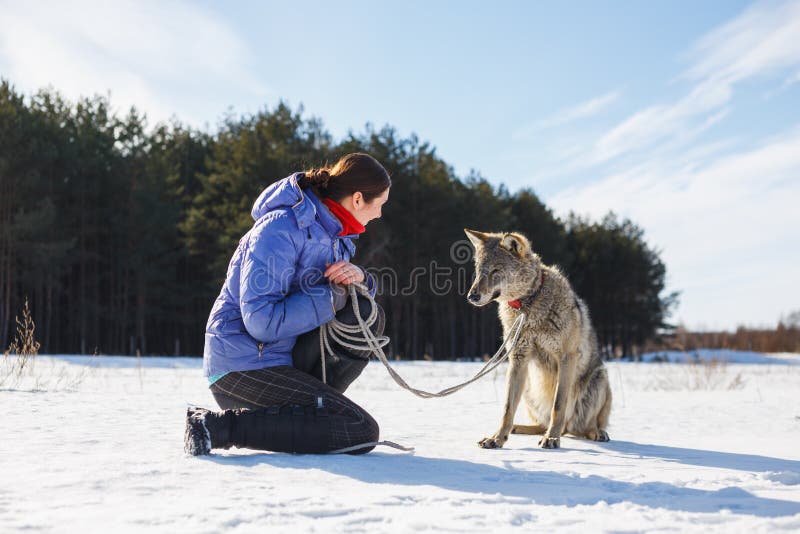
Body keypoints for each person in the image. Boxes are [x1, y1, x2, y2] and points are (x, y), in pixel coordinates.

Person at [184, 152, 391, 455]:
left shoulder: (335, 237)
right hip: (240, 369)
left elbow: (345, 300)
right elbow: (261, 321)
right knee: (359, 429)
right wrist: (332, 296)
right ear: (358, 199)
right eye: (380, 204)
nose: (380, 214)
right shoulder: (279, 228)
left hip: (282, 361)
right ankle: (214, 427)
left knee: (368, 316)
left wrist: (360, 278)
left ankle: (317, 409)